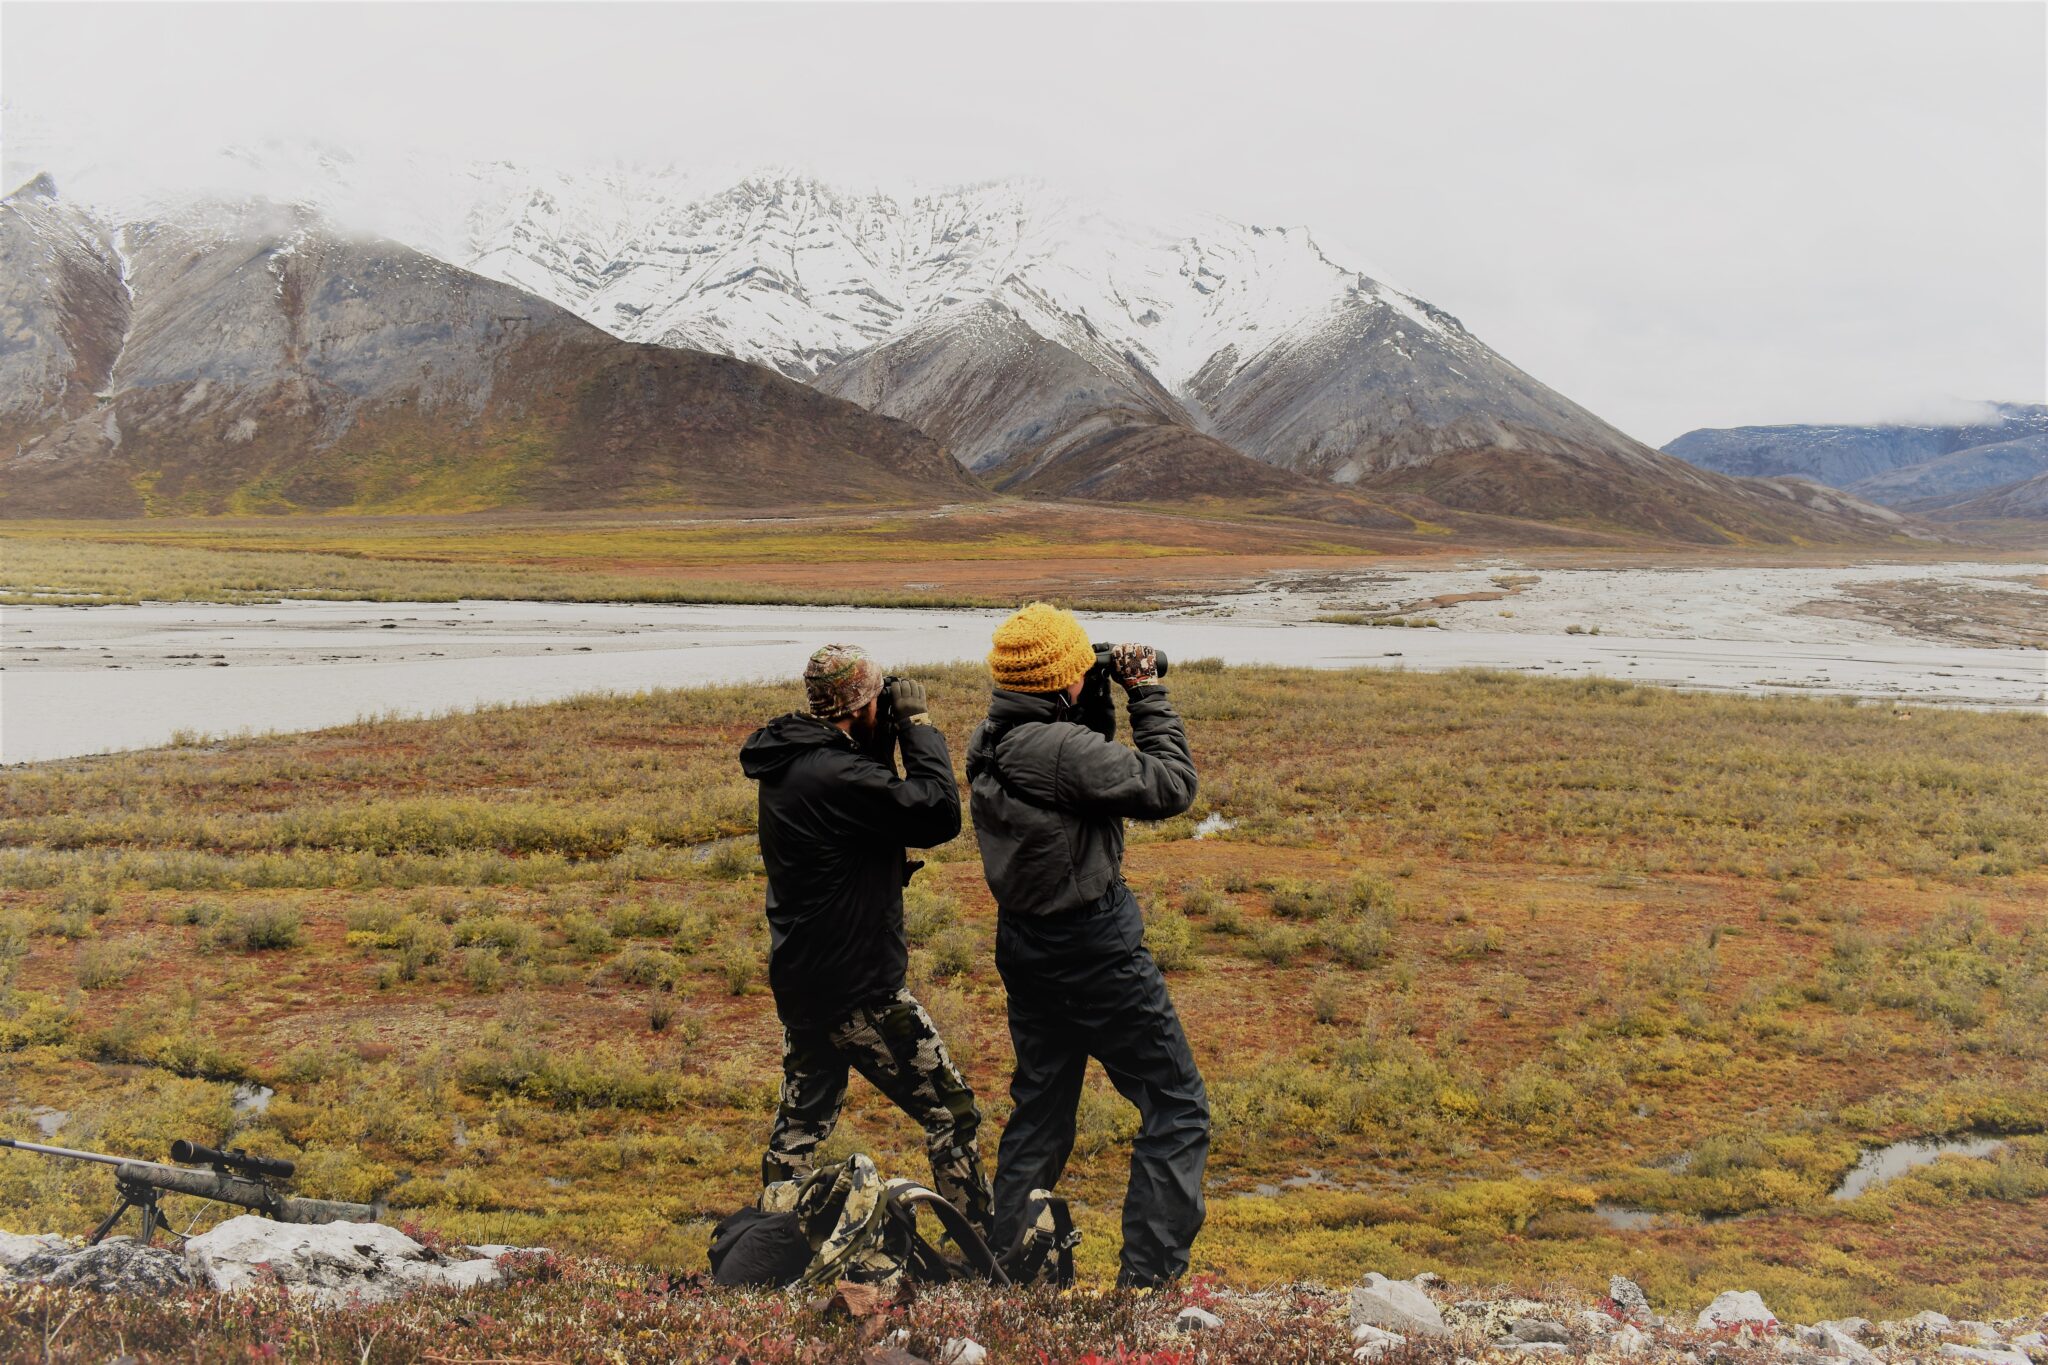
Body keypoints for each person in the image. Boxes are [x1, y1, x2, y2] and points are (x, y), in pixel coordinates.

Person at [966, 603, 1208, 1288]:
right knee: (1176, 1104)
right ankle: (1147, 1286)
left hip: (1025, 945)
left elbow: (1079, 769)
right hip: (1095, 951)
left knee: (1041, 1110)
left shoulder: (993, 737)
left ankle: (1009, 1270)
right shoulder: (1061, 751)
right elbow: (1170, 785)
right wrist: (1148, 694)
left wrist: (1088, 684)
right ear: (1062, 681)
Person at [738, 643, 994, 1237]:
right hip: (859, 987)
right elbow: (936, 815)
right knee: (952, 1115)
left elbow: (866, 792)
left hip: (807, 979)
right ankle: (981, 1255)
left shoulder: (797, 758)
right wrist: (919, 728)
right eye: (879, 697)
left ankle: (768, 1247)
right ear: (860, 705)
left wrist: (877, 728)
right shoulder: (838, 773)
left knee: (800, 1129)